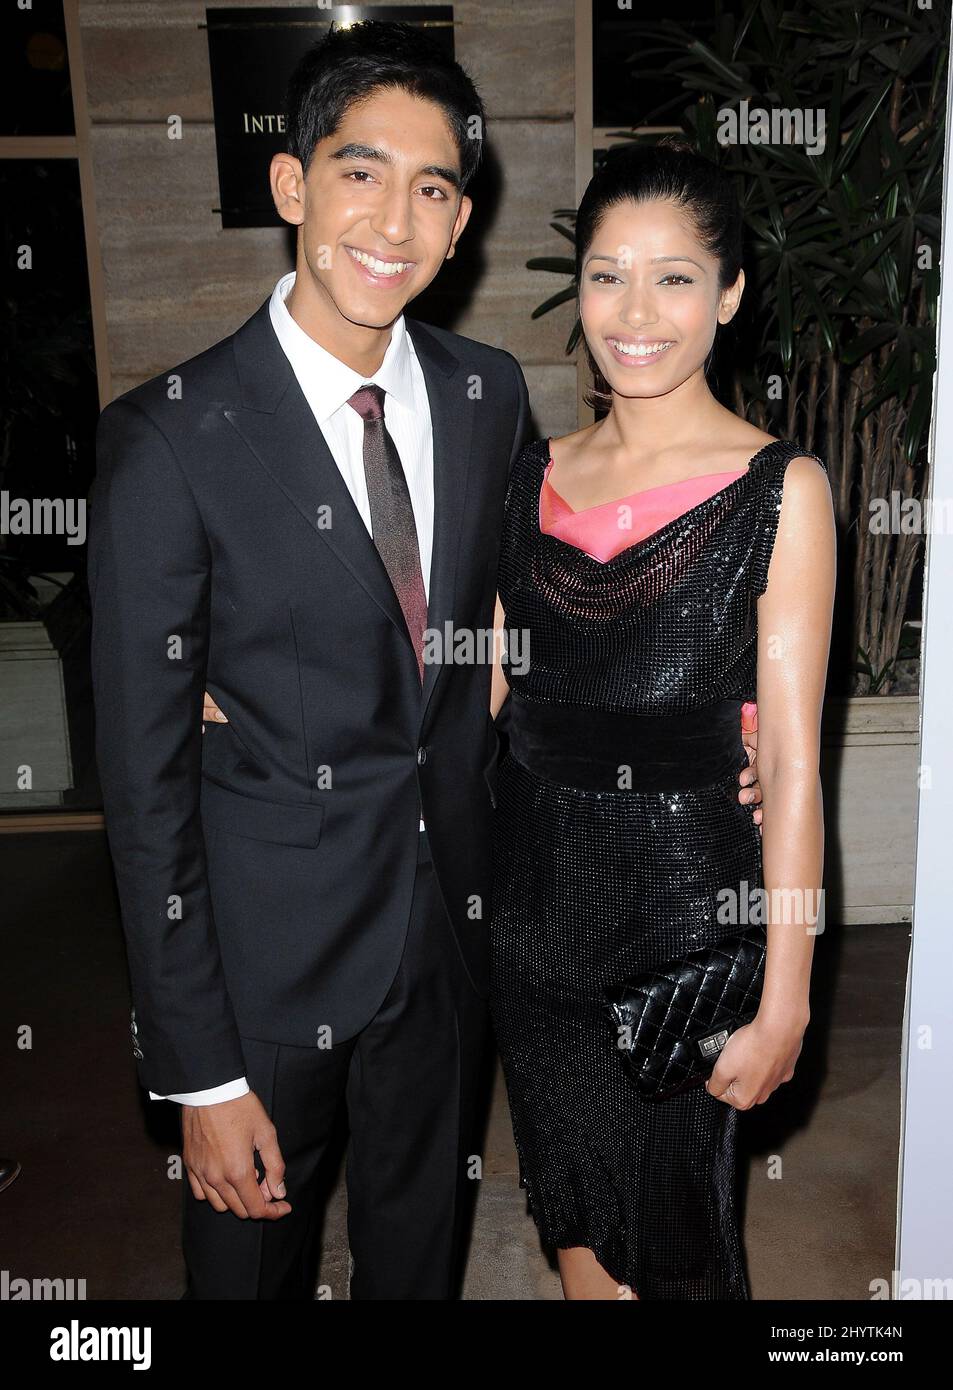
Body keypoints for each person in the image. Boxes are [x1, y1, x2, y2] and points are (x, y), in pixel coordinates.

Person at [90, 21, 761, 1300]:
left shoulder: (484, 394)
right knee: (247, 1277)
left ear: (460, 226)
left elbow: (544, 622)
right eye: (360, 172)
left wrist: (729, 738)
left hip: (454, 933)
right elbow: (142, 779)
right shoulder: (169, 440)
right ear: (292, 187)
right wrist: (199, 1068)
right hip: (263, 971)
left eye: (434, 188)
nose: (394, 219)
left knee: (420, 1262)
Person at [486, 139, 836, 1301]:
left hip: (685, 932)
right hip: (536, 931)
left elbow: (785, 761)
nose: (634, 312)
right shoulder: (527, 474)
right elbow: (481, 690)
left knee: (676, 1261)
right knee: (581, 1249)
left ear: (730, 293)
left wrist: (786, 987)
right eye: (604, 274)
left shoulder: (779, 489)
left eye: (674, 276)